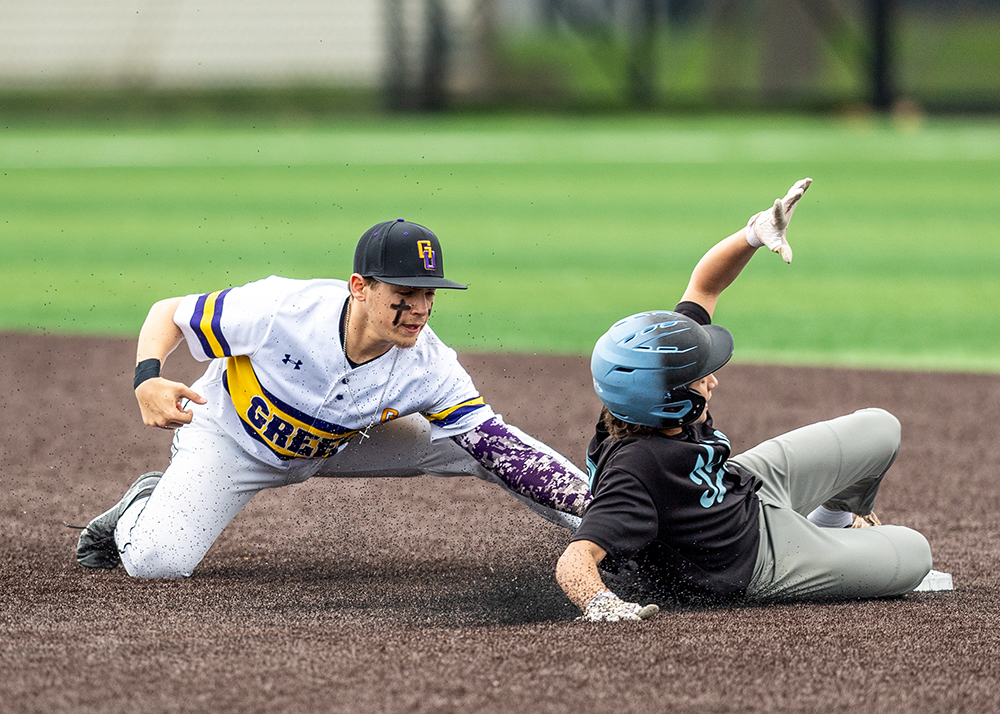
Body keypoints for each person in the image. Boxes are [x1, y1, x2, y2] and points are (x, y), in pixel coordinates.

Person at [76, 218, 591, 578]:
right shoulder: (282, 309)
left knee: (477, 447)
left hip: (339, 444)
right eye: (404, 295)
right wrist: (147, 379)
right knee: (156, 564)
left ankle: (602, 522)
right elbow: (168, 312)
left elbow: (502, 447)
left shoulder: (429, 364)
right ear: (360, 287)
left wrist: (599, 513)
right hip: (230, 439)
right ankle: (142, 503)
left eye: (428, 294)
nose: (419, 309)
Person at [556, 178, 935, 623]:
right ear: (669, 402)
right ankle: (830, 544)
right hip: (760, 561)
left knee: (881, 428)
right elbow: (575, 560)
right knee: (916, 552)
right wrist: (602, 605)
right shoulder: (635, 470)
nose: (712, 380)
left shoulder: (644, 392)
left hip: (746, 484)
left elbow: (704, 286)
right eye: (700, 378)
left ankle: (831, 522)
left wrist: (754, 234)